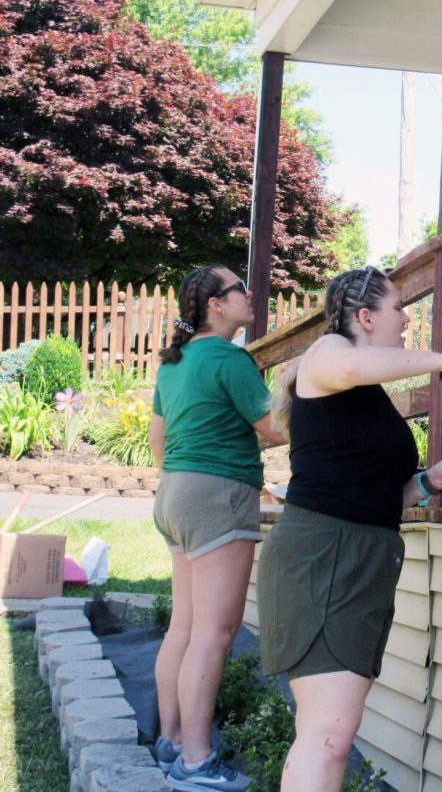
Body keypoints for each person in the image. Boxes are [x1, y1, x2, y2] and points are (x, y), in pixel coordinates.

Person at [256, 266, 442, 792]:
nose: (406, 318)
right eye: (398, 307)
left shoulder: (360, 389)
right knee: (329, 737)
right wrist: (440, 360)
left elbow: (366, 491)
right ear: (364, 316)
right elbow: (358, 364)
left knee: (324, 733)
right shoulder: (328, 354)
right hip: (323, 559)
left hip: (354, 559)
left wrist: (426, 482)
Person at [148, 265, 287, 791]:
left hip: (175, 494)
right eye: (238, 289)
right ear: (215, 305)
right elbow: (273, 427)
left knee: (183, 628)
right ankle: (197, 763)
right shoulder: (230, 359)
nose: (249, 295)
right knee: (214, 633)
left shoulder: (174, 362)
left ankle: (174, 741)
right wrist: (306, 392)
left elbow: (159, 445)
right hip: (218, 495)